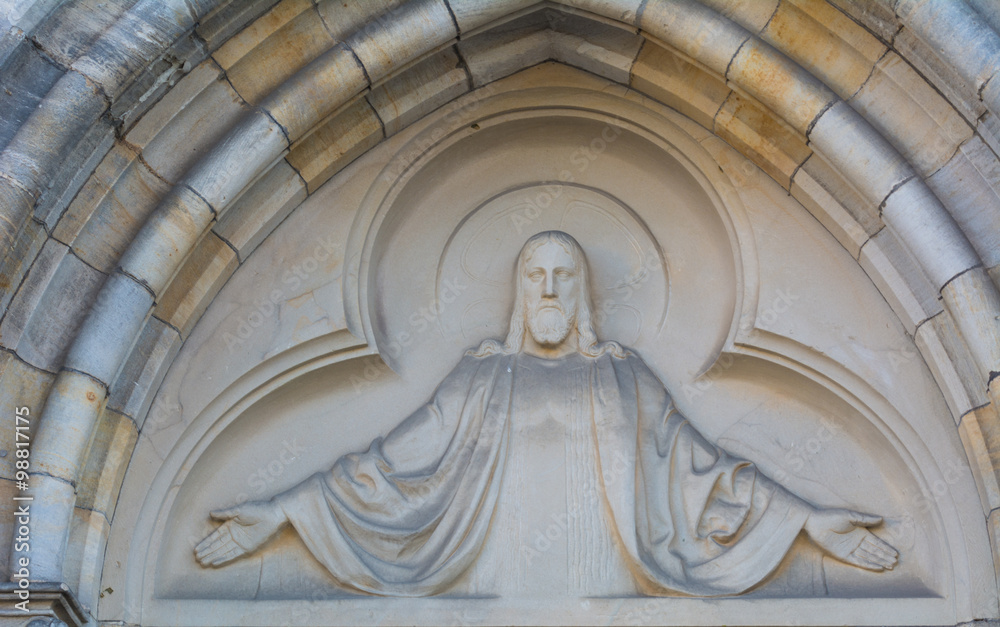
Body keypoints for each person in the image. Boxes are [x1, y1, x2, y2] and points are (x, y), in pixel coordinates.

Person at [195, 230, 897, 597]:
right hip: (495, 582)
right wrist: (286, 508)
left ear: (583, 289)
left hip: (609, 578)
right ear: (520, 288)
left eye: (565, 275)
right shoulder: (480, 375)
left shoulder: (623, 374)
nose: (551, 287)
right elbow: (390, 463)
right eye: (537, 274)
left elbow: (703, 471)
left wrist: (807, 519)